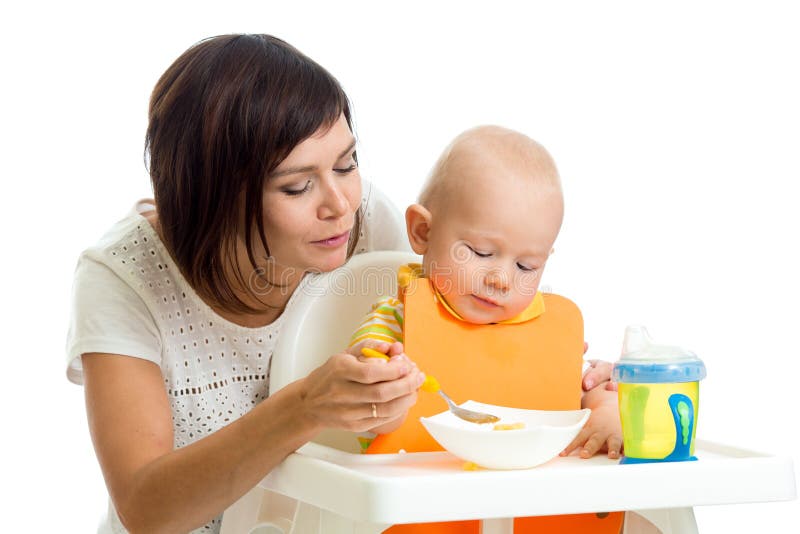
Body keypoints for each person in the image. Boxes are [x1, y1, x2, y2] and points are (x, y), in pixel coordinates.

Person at [65, 34, 615, 534]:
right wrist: (305, 406)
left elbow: (472, 326)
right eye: (298, 186)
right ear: (215, 197)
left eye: (347, 163)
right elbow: (145, 508)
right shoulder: (124, 276)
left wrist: (574, 382)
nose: (341, 204)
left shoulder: (360, 220)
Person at [350, 125, 622, 460]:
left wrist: (607, 409)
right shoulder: (396, 322)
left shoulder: (540, 331)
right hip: (412, 495)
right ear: (423, 231)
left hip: (516, 502)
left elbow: (582, 390)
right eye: (481, 253)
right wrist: (377, 381)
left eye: (526, 267)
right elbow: (361, 398)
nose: (502, 280)